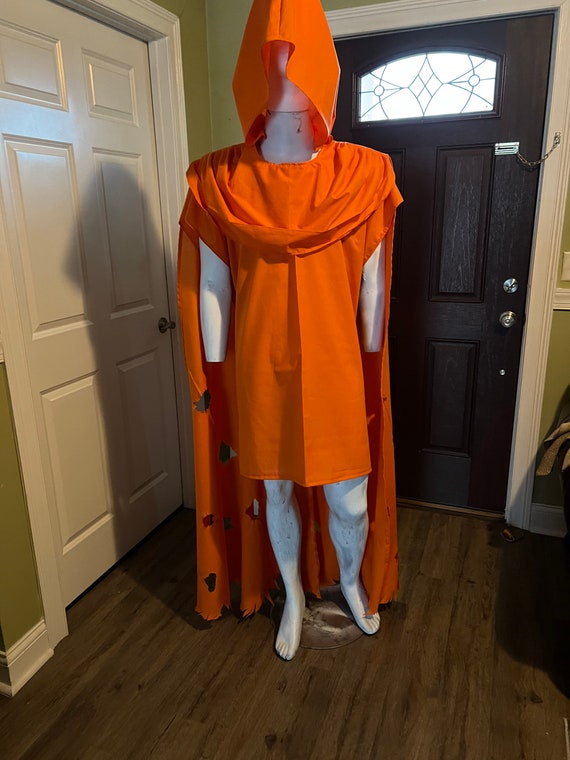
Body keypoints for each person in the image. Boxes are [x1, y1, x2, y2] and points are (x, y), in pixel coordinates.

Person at [177, 0, 402, 660]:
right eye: (271, 57)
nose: (283, 70)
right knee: (275, 489)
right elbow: (213, 285)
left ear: (322, 68)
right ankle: (295, 597)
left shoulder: (363, 176)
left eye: (295, 55)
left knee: (348, 501)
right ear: (250, 69)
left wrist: (368, 349)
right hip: (260, 363)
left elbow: (373, 283)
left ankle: (351, 583)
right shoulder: (219, 181)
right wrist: (214, 361)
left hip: (335, 365)